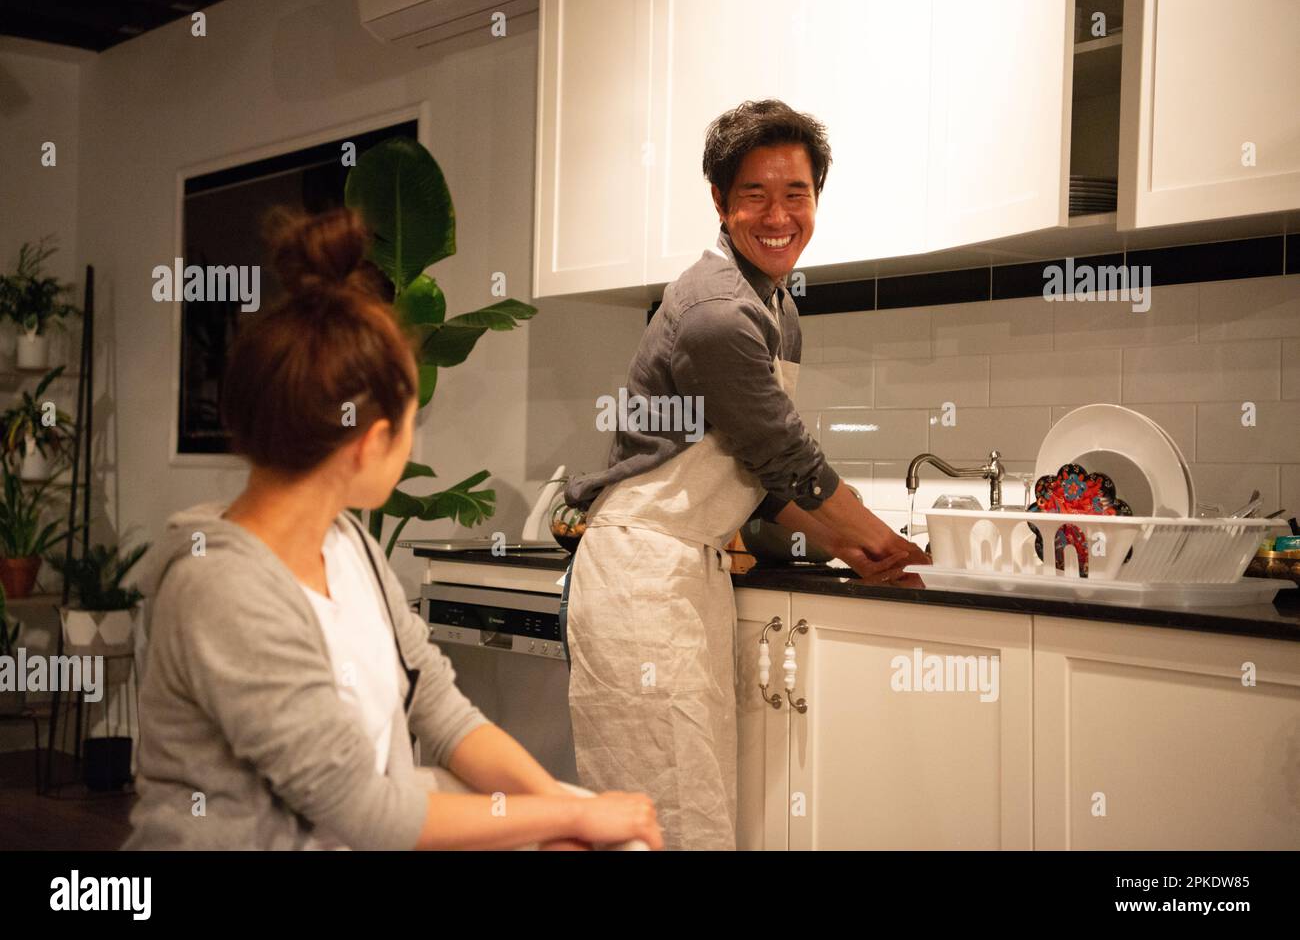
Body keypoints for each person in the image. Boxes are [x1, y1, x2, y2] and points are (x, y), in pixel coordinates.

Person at [126, 206, 661, 851]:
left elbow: (435, 706)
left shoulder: (346, 543)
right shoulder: (221, 589)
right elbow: (366, 814)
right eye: (411, 423)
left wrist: (556, 805)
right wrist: (573, 817)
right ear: (369, 443)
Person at [561, 99, 929, 850]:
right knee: (664, 824)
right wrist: (889, 542)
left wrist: (852, 547)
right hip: (641, 575)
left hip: (690, 574)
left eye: (796, 193)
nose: (778, 214)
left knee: (696, 807)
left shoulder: (777, 307)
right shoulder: (716, 314)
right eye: (754, 194)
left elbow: (760, 475)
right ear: (722, 205)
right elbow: (789, 454)